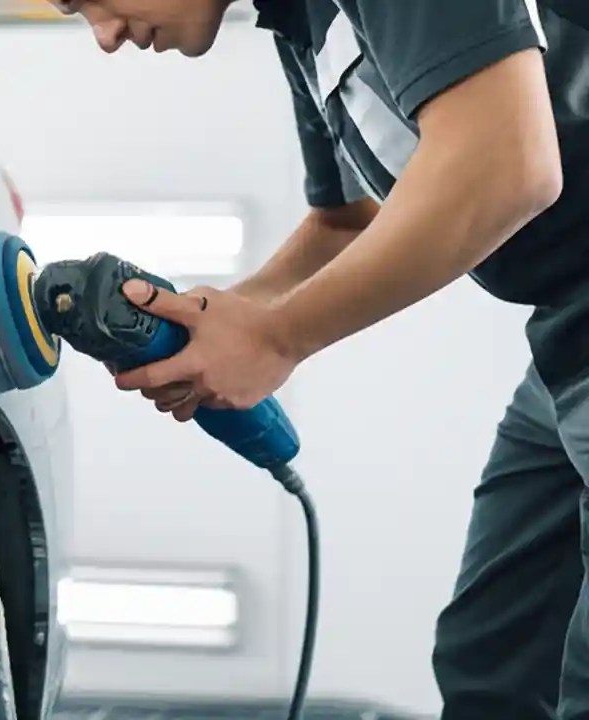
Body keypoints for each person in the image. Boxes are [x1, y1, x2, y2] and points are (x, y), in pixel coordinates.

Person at [48, 0, 589, 716]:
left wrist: (276, 338)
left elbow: (510, 163)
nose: (106, 35)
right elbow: (347, 218)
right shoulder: (300, 19)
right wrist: (226, 318)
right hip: (567, 330)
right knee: (493, 662)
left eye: (84, 0)